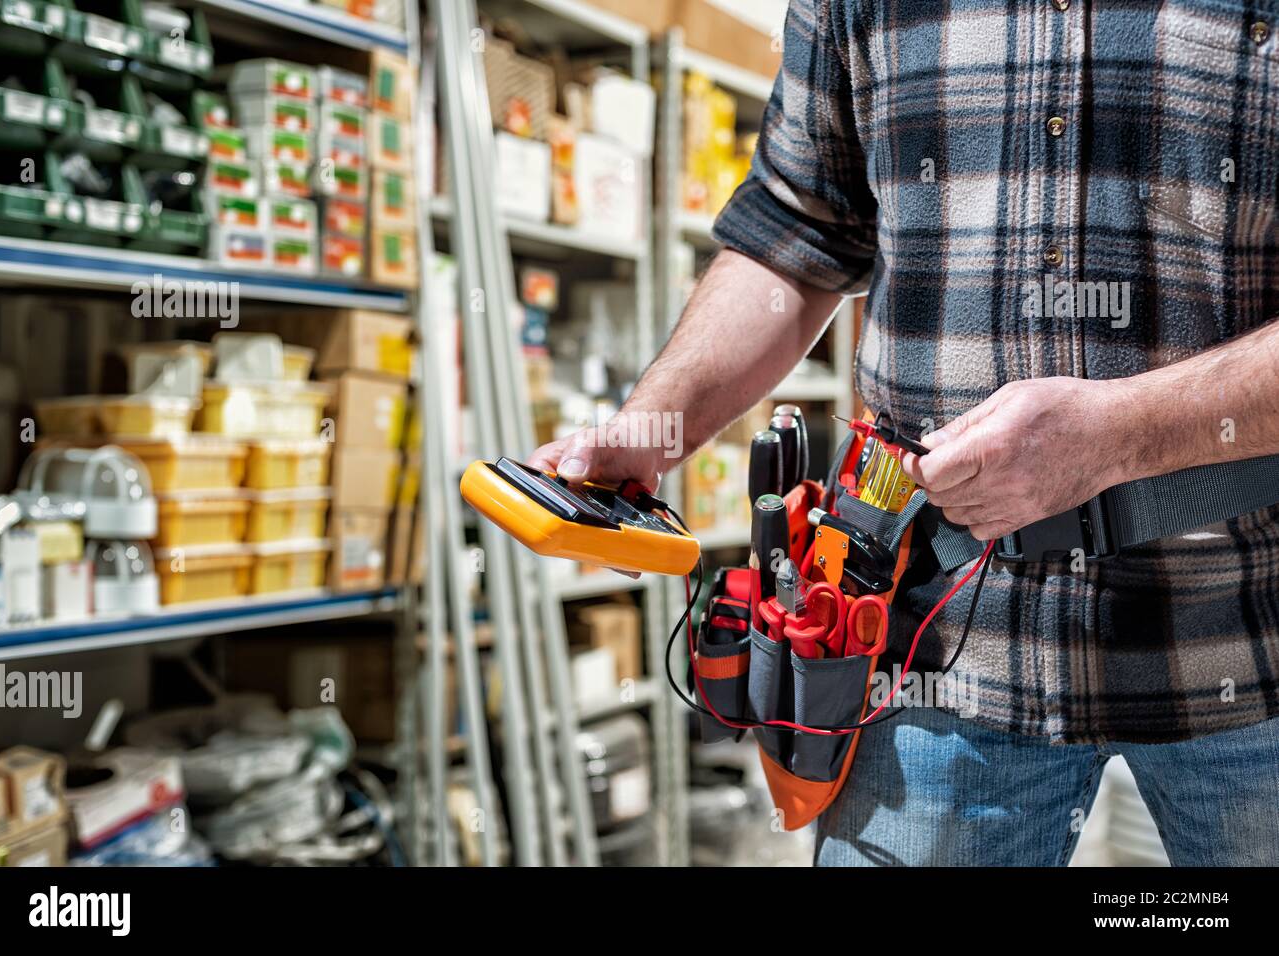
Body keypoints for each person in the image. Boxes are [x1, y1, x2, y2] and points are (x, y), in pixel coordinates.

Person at [530, 0, 1279, 865]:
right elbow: (797, 228)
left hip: (1245, 638)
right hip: (923, 644)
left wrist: (1123, 435)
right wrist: (654, 427)